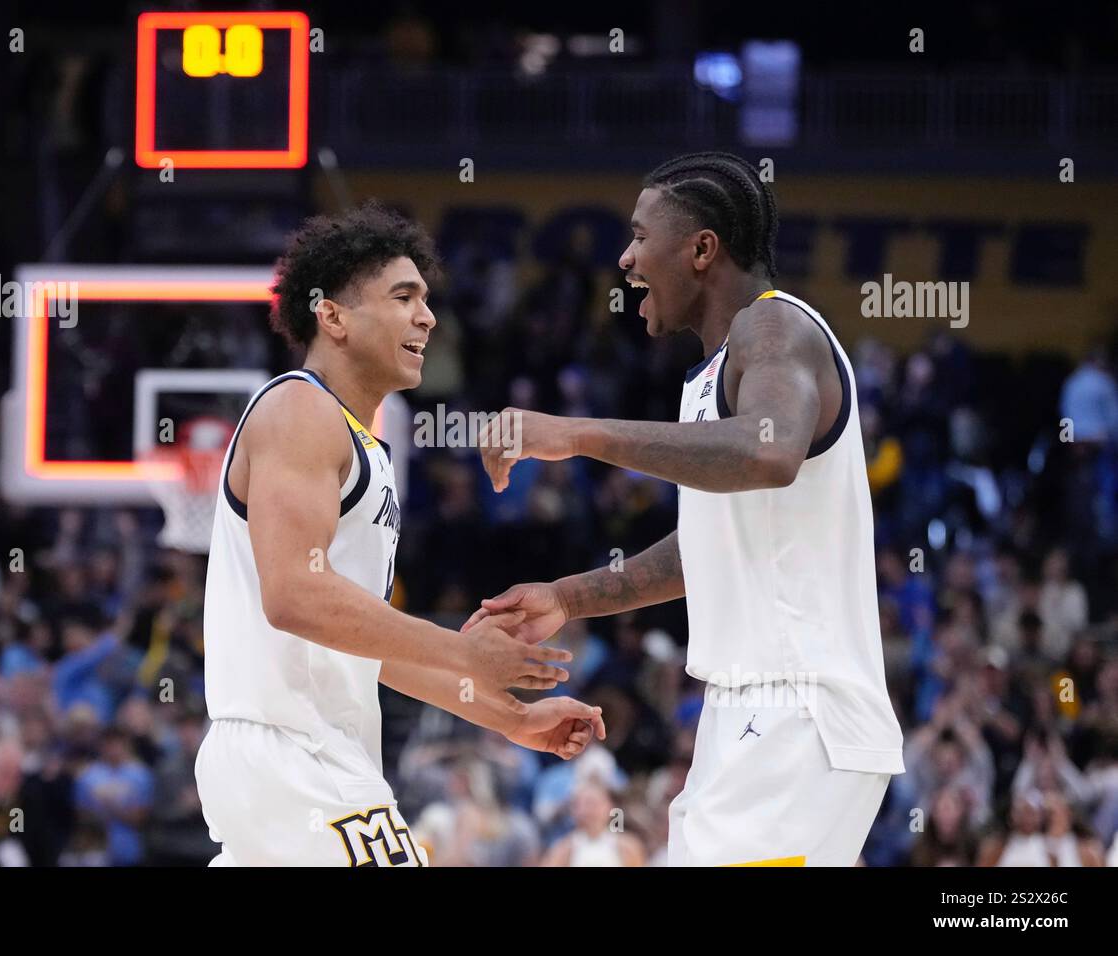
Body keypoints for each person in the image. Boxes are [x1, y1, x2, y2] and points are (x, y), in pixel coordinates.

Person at [467, 152, 904, 866]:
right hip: (752, 714)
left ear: (702, 249)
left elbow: (768, 452)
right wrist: (567, 597)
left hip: (798, 711)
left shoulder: (776, 330)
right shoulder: (712, 377)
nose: (626, 257)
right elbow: (709, 545)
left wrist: (576, 434)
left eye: (641, 236)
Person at [196, 202, 604, 867]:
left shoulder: (370, 448)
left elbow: (369, 646)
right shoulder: (299, 408)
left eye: (427, 299)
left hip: (308, 756)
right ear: (332, 315)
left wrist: (509, 716)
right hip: (290, 753)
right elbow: (294, 596)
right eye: (403, 296)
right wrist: (463, 651)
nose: (428, 317)